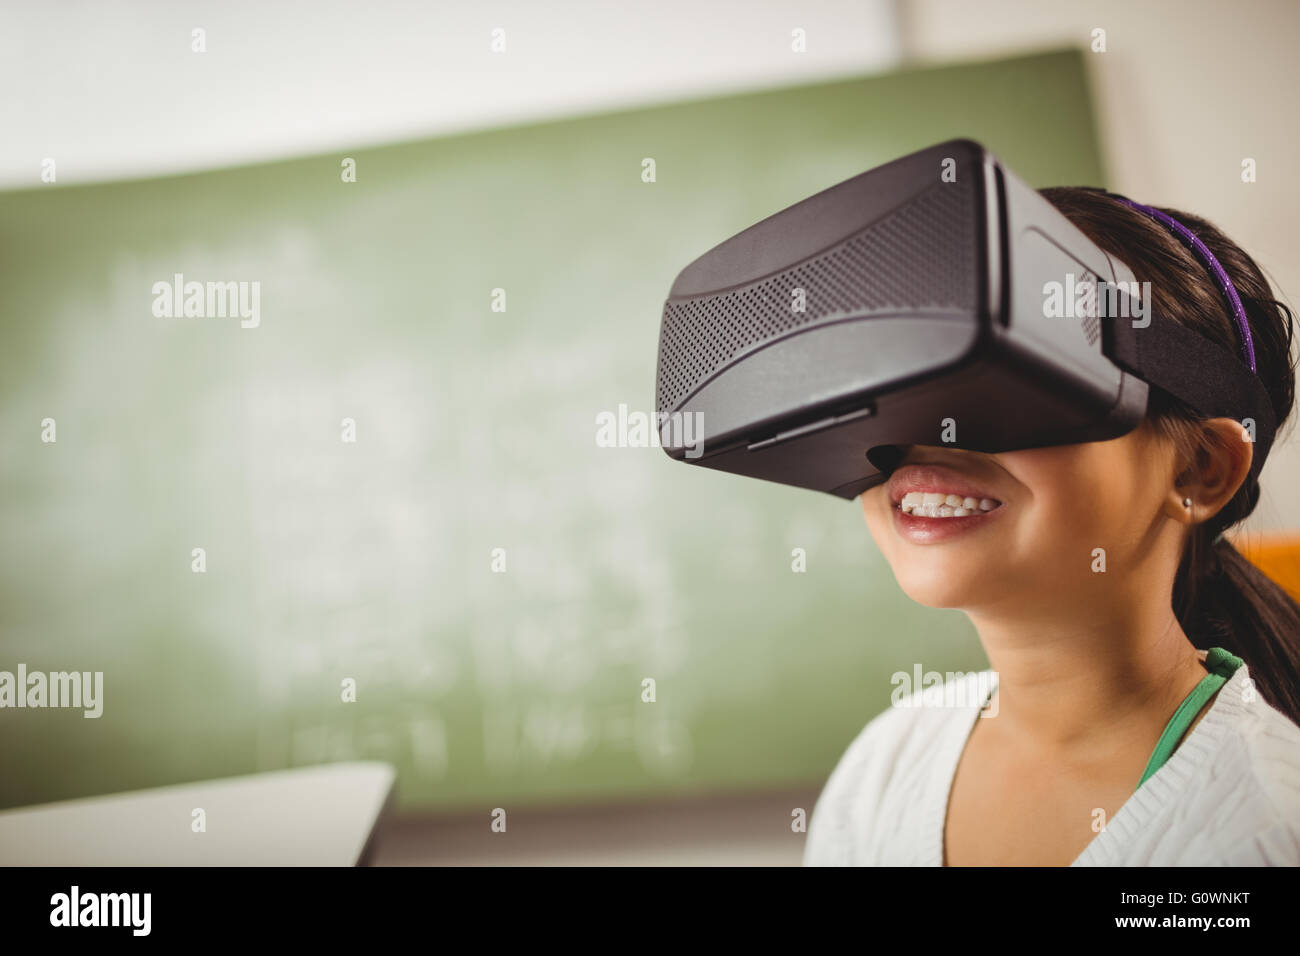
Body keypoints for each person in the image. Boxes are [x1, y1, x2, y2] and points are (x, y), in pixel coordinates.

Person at [803, 186, 1300, 866]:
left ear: (1200, 469)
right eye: (896, 378)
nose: (923, 431)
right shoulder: (883, 767)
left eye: (1012, 374)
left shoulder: (1266, 827)